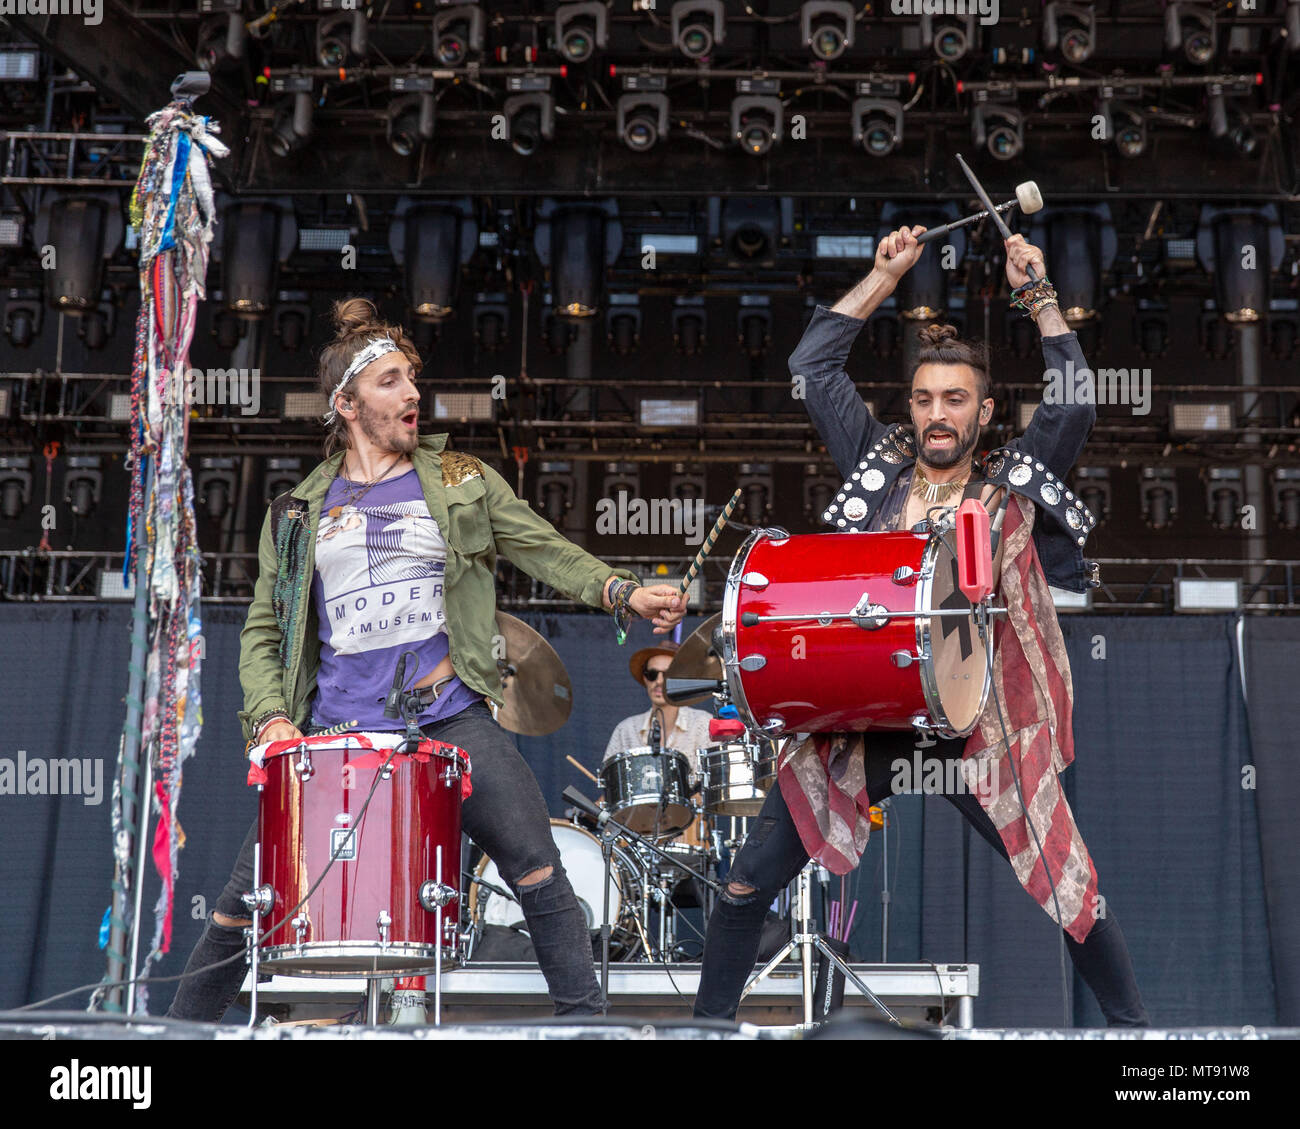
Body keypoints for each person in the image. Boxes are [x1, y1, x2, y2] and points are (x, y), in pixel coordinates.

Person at [167, 297, 686, 1021]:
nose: (412, 393)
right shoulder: (295, 514)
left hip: (448, 718)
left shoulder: (460, 478)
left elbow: (542, 546)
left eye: (413, 378)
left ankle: (586, 1029)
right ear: (346, 403)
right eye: (390, 381)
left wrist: (623, 590)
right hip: (339, 732)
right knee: (242, 902)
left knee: (540, 864)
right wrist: (272, 719)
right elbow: (263, 630)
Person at [692, 227, 1149, 1027]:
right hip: (871, 714)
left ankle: (1143, 1041)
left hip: (980, 722)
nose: (939, 416)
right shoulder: (877, 467)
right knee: (746, 878)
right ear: (911, 405)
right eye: (926, 398)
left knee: (1070, 885)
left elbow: (1075, 396)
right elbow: (812, 368)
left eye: (957, 399)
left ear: (984, 409)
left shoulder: (1012, 483)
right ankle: (706, 1028)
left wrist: (1037, 293)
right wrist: (881, 274)